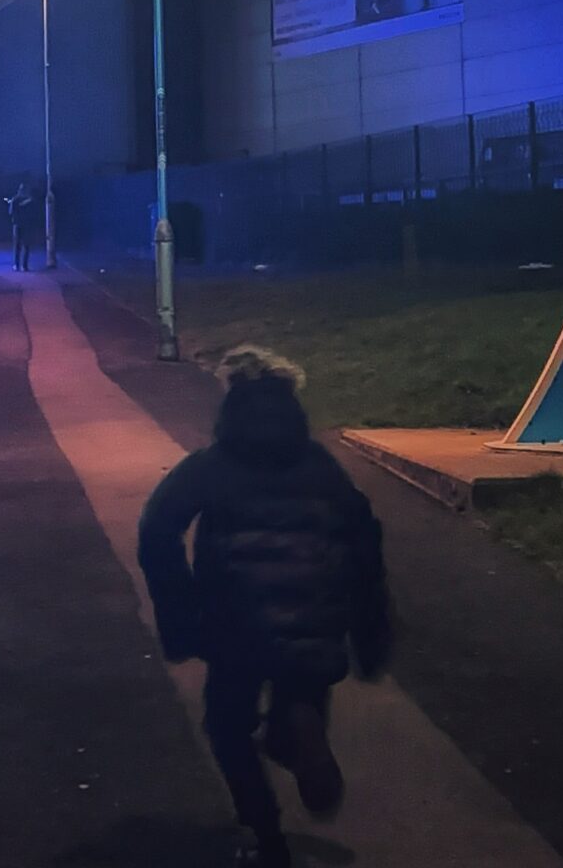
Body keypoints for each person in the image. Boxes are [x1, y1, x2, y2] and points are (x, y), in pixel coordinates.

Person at [137, 346, 391, 868]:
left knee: (228, 726)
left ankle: (265, 836)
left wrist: (182, 613)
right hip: (317, 620)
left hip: (237, 623)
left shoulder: (209, 468)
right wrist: (368, 626)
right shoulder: (321, 466)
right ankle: (296, 732)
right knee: (298, 696)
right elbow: (363, 537)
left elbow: (157, 530)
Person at [6, 179, 36, 272]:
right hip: (26, 224)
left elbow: (10, 212)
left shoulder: (15, 199)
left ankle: (17, 265)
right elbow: (33, 213)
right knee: (26, 245)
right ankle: (24, 266)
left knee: (17, 246)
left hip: (17, 224)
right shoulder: (30, 200)